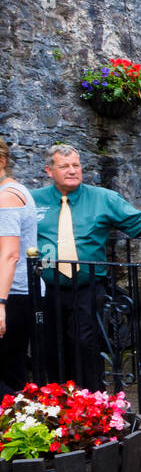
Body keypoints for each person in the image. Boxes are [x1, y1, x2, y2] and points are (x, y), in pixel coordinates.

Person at [31, 144, 141, 391]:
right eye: (64, 166)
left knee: (85, 345)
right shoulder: (32, 200)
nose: (72, 171)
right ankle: (57, 404)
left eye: (76, 165)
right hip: (46, 289)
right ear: (49, 170)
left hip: (86, 287)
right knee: (49, 347)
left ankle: (91, 401)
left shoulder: (102, 198)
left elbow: (139, 220)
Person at [0, 139, 38, 396]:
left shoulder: (7, 197)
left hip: (12, 295)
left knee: (8, 377)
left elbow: (10, 254)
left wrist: (0, 303)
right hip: (12, 294)